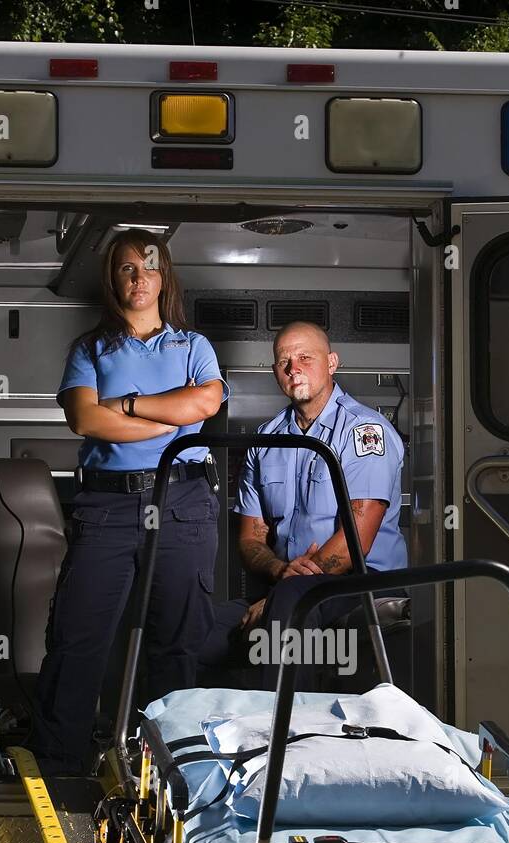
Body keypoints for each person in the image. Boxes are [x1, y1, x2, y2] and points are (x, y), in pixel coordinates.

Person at [29, 228, 228, 772]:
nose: (139, 278)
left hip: (183, 503)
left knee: (177, 644)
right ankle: (59, 766)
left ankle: (168, 771)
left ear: (166, 277)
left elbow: (204, 403)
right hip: (108, 509)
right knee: (79, 638)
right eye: (127, 269)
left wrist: (130, 405)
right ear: (113, 279)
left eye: (150, 266)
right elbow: (85, 418)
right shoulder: (90, 348)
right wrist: (167, 418)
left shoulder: (193, 346)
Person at [228, 321, 406, 687]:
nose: (294, 368)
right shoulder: (266, 439)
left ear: (332, 363)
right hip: (285, 583)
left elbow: (357, 540)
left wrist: (280, 595)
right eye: (283, 361)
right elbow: (249, 539)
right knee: (194, 625)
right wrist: (278, 573)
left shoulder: (364, 432)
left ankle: (286, 738)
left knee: (292, 602)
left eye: (305, 357)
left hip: (361, 582)